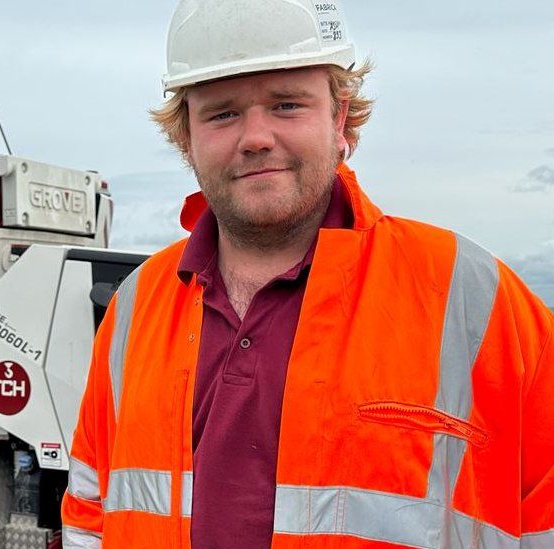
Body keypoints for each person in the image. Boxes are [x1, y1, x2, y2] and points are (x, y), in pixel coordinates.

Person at [60, 0, 554, 547]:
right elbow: (90, 508)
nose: (255, 137)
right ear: (186, 137)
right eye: (222, 113)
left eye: (287, 104)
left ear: (340, 116)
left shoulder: (473, 298)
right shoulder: (138, 305)